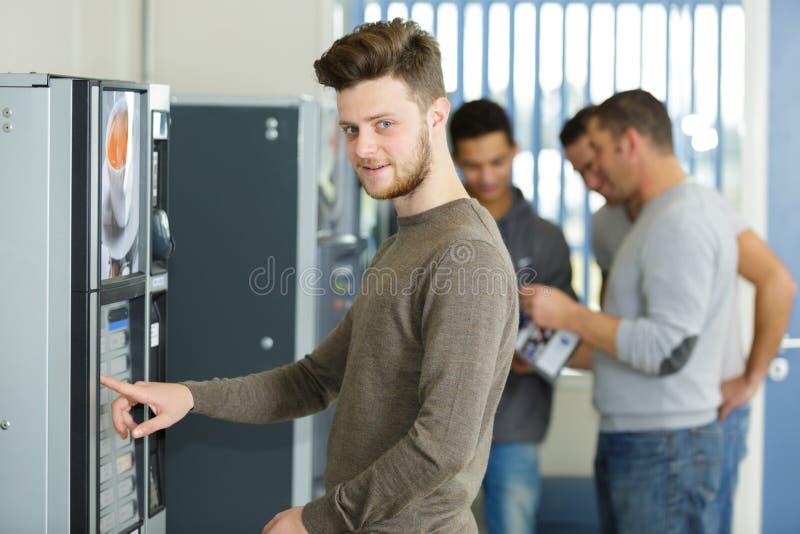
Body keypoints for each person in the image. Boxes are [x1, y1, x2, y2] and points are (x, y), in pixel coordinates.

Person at [100, 19, 519, 534]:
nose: (363, 149)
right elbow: (315, 380)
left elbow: (442, 447)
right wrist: (189, 397)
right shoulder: (405, 242)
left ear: (436, 116)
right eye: (351, 129)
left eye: (384, 124)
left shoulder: (465, 257)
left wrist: (319, 520)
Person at [560, 104, 797, 533]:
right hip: (639, 420)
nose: (593, 182)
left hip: (691, 418)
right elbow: (620, 328)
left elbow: (776, 282)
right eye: (580, 172)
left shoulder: (691, 214)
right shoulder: (610, 225)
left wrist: (749, 380)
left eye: (595, 161)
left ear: (626, 144)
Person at [524, 89, 741, 532]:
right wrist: (540, 351)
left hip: (664, 448)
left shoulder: (682, 220)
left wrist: (569, 316)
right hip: (644, 441)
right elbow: (626, 336)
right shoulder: (646, 219)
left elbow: (666, 348)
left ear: (630, 143)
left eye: (600, 152)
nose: (596, 171)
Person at [449, 98, 576, 534]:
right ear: (454, 161)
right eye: (472, 165)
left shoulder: (547, 239)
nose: (486, 176)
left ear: (515, 150)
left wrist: (527, 357)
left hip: (515, 424)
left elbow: (567, 333)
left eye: (497, 161)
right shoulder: (433, 228)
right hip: (439, 423)